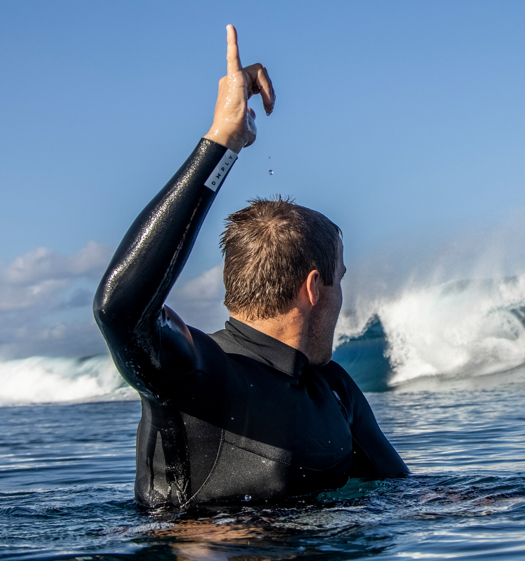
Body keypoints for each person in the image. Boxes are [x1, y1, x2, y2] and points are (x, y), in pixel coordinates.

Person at [93, 25, 407, 509]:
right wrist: (222, 142)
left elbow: (406, 495)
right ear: (313, 288)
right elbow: (118, 309)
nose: (343, 294)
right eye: (340, 279)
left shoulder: (335, 392)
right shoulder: (196, 375)